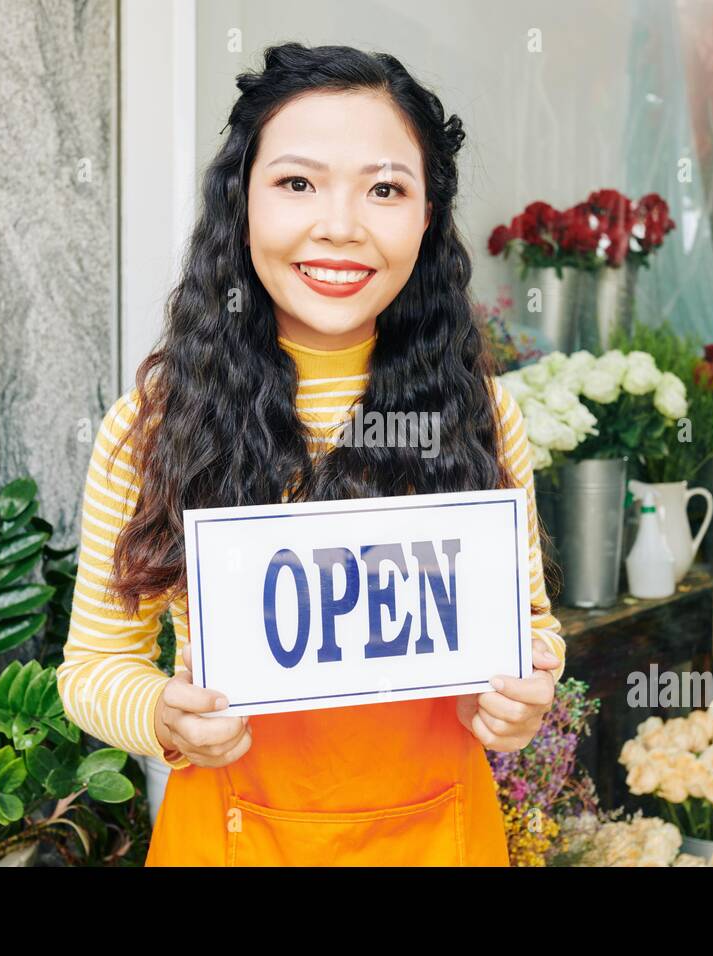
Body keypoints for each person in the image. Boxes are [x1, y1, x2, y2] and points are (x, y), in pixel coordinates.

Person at [57, 42, 567, 867]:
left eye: (386, 189)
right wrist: (161, 715)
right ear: (243, 204)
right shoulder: (151, 425)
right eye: (298, 183)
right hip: (230, 840)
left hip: (442, 837)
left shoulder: (485, 413)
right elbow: (94, 667)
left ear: (427, 216)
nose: (341, 226)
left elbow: (534, 627)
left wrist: (524, 696)